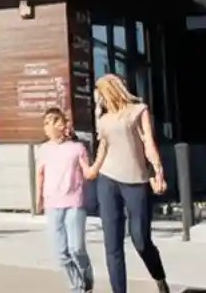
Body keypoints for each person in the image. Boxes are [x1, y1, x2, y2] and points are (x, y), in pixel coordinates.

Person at [94, 74, 171, 293]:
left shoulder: (139, 110)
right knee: (113, 244)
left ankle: (159, 278)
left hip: (136, 181)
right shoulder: (103, 119)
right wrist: (93, 169)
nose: (98, 99)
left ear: (109, 90)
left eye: (99, 93)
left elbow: (148, 142)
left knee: (141, 240)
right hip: (107, 180)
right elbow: (103, 148)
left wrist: (158, 172)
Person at [36, 107, 101, 293]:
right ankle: (77, 288)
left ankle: (86, 278)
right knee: (61, 253)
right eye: (46, 123)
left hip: (74, 203)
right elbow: (39, 174)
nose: (47, 127)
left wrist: (100, 159)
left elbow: (88, 172)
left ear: (61, 125)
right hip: (52, 204)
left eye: (51, 122)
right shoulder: (44, 150)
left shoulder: (77, 148)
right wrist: (38, 199)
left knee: (76, 249)